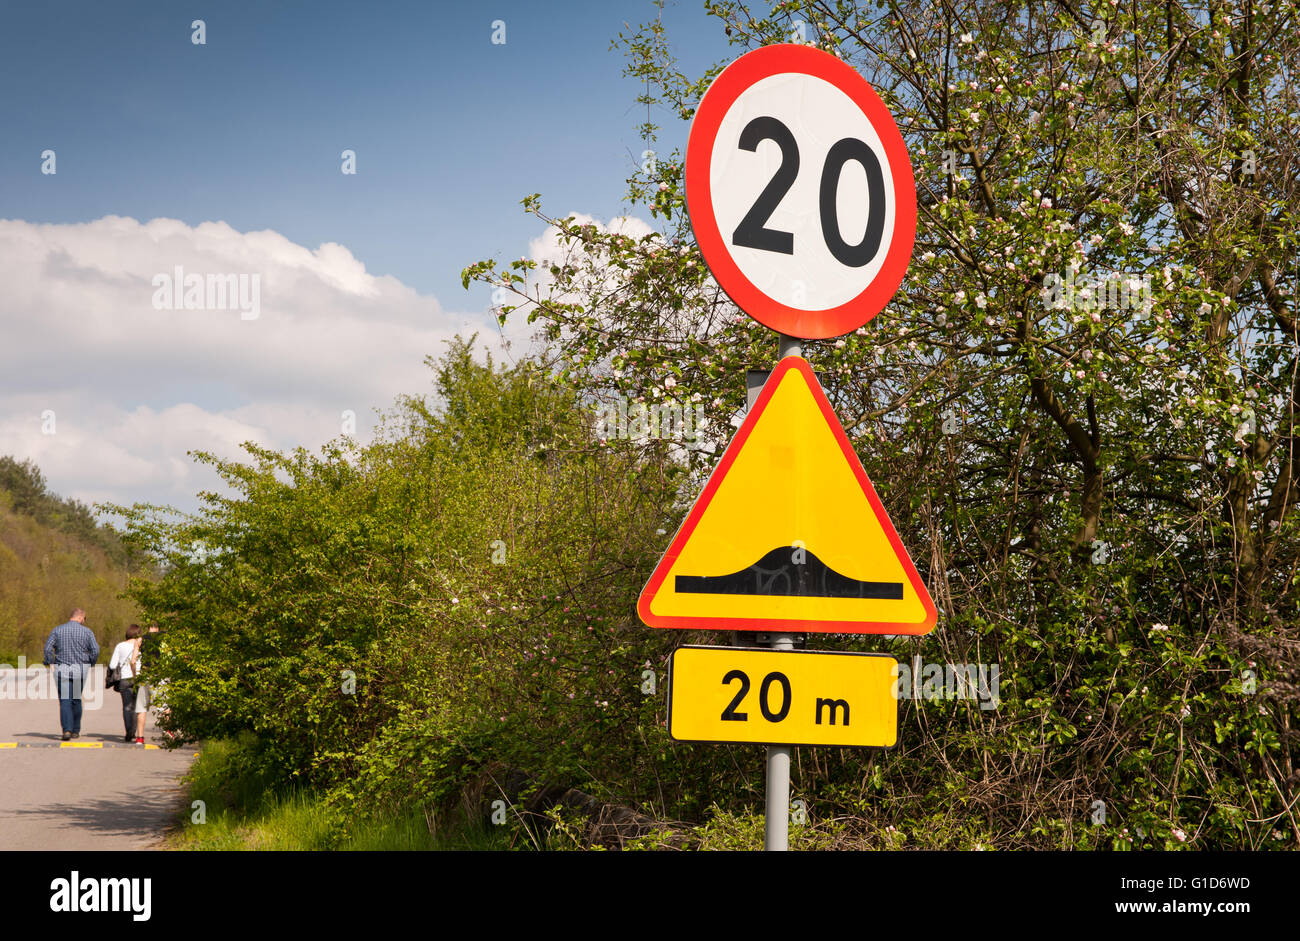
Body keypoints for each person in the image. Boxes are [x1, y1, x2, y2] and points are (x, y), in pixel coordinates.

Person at [42, 608, 100, 741]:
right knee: (76, 699)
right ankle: (75, 730)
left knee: (65, 701)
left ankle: (67, 730)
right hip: (80, 669)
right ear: (81, 617)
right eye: (84, 619)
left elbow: (47, 648)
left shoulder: (57, 630)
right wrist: (91, 662)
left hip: (62, 669)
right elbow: (95, 650)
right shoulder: (87, 632)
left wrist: (51, 662)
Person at [108, 625, 143, 743]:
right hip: (139, 678)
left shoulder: (120, 646)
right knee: (138, 707)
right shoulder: (141, 645)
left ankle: (129, 731)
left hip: (125, 678)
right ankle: (135, 732)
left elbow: (113, 665)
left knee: (127, 706)